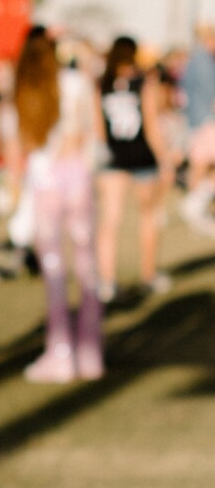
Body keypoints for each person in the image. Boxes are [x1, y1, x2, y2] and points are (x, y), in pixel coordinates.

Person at [11, 31, 104, 383]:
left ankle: (60, 352)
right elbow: (95, 130)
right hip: (78, 174)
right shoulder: (78, 81)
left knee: (54, 268)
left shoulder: (31, 88)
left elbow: (25, 143)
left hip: (47, 177)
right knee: (86, 264)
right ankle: (90, 351)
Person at [96, 36, 173, 300]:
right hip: (142, 158)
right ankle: (148, 276)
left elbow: (98, 130)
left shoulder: (101, 84)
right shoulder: (145, 83)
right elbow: (151, 127)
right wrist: (165, 159)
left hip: (113, 160)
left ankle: (107, 281)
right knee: (148, 217)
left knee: (110, 221)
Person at [179, 25, 215, 238]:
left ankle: (195, 206)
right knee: (201, 165)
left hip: (198, 121)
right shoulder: (203, 62)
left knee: (202, 166)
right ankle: (194, 207)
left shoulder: (196, 60)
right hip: (206, 121)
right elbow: (211, 95)